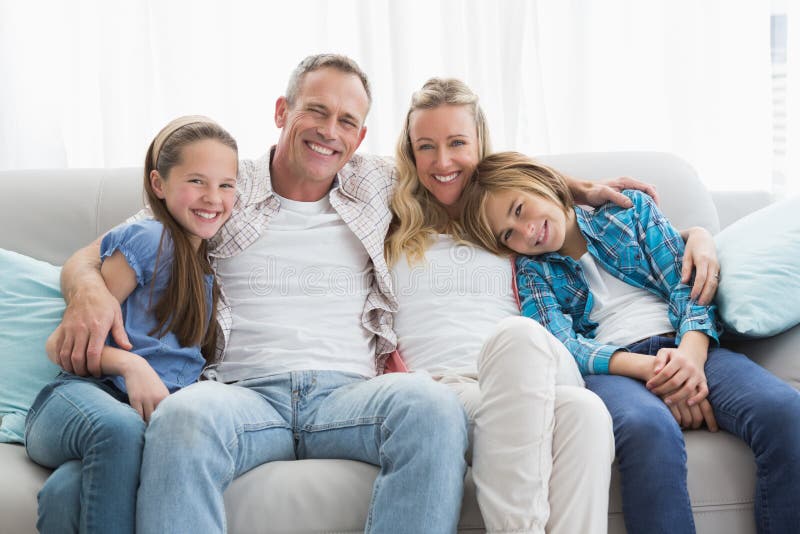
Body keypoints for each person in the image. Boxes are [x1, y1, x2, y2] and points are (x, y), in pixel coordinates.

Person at [48, 55, 469, 533]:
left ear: (360, 136)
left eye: (347, 121)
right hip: (241, 393)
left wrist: (570, 195)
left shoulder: (378, 183)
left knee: (433, 407)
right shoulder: (223, 184)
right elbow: (96, 252)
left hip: (349, 394)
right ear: (281, 112)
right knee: (182, 416)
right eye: (316, 110)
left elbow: (482, 177)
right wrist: (87, 288)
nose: (330, 131)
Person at [385, 78, 722, 534]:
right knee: (585, 413)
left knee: (523, 339)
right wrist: (582, 186)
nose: (442, 161)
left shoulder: (501, 221)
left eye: (457, 142)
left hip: (533, 368)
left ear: (481, 143)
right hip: (447, 384)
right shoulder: (390, 213)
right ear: (410, 152)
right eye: (426, 147)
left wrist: (698, 235)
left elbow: (606, 240)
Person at [460, 151, 800, 534]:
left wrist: (690, 353)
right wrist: (647, 368)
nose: (525, 231)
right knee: (646, 429)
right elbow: (564, 344)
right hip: (613, 371)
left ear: (545, 183)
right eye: (509, 234)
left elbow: (684, 283)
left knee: (786, 412)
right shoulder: (532, 270)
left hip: (685, 342)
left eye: (520, 209)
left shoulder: (629, 212)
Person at [24, 116, 239, 534]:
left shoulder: (205, 271)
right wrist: (131, 365)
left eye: (226, 185)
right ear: (159, 185)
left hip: (133, 427)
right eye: (196, 181)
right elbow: (59, 345)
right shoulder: (150, 239)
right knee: (120, 429)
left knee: (65, 494)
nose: (213, 197)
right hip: (75, 401)